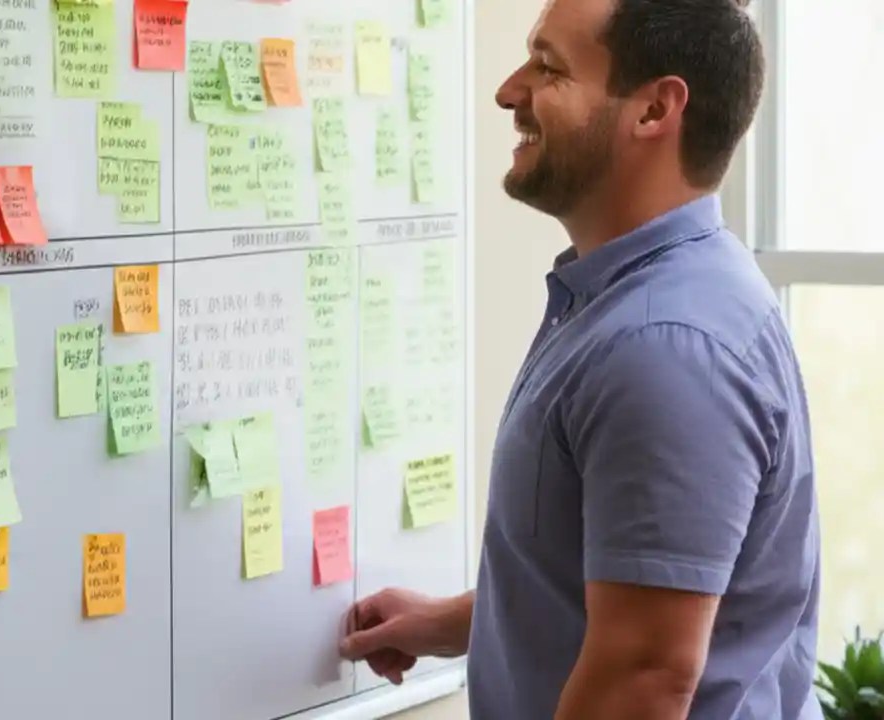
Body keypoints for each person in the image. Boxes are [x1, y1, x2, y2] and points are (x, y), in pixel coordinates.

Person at [339, 0, 821, 717]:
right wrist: (453, 623)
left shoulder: (666, 347)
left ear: (655, 110)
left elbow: (643, 679)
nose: (508, 90)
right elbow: (629, 586)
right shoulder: (642, 298)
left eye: (548, 67)